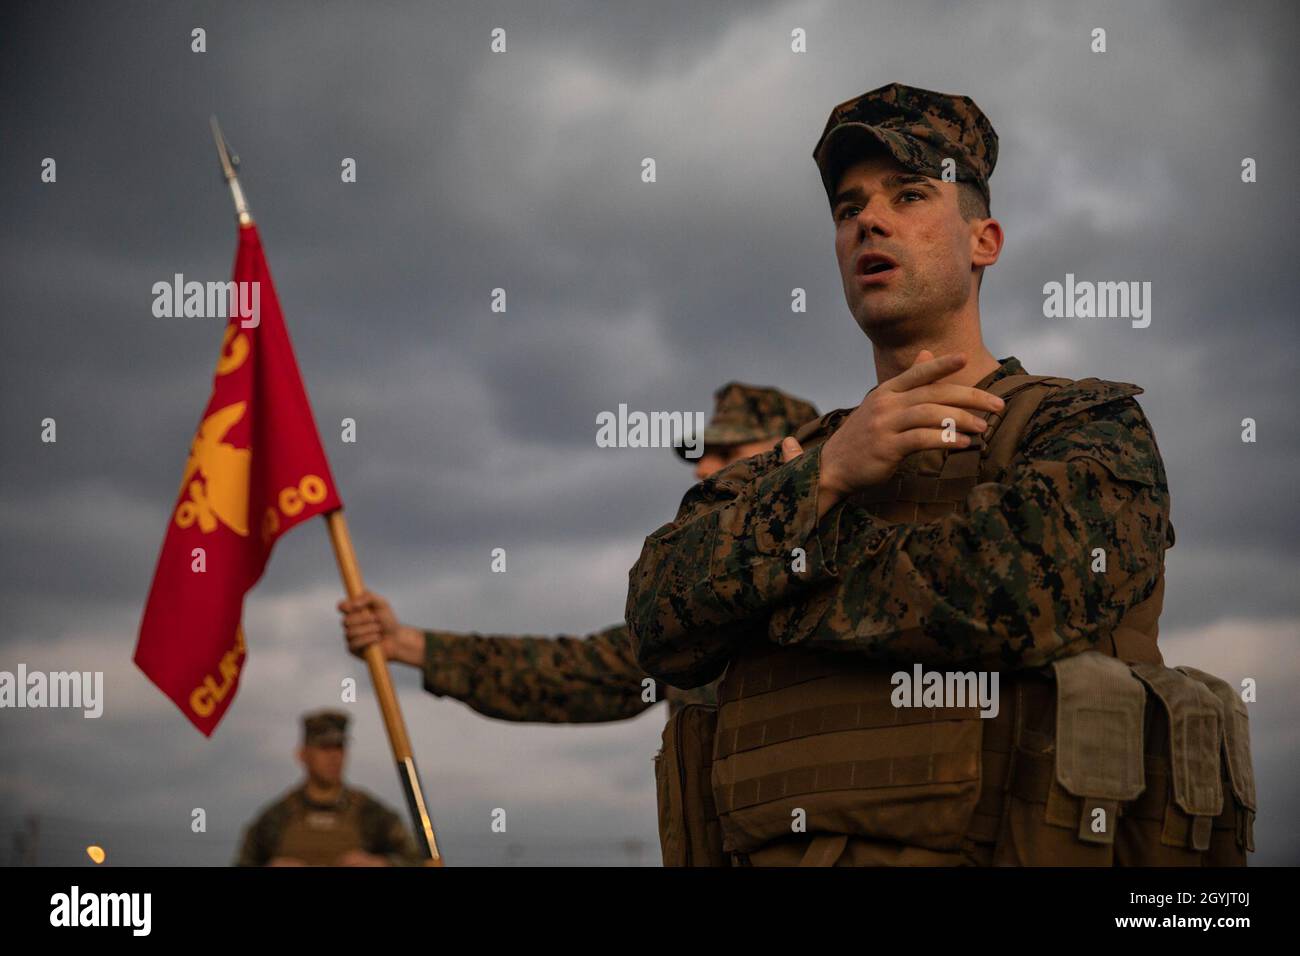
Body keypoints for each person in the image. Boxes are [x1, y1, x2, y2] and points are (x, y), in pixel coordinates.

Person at [625, 83, 1255, 866]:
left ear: (983, 239)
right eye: (847, 208)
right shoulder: (793, 465)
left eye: (910, 194)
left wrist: (769, 589)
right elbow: (656, 612)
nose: (869, 222)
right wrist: (826, 476)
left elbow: (1012, 593)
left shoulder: (1081, 426)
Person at [338, 383, 817, 724]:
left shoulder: (846, 553)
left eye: (728, 448)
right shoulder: (693, 601)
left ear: (795, 451)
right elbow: (574, 676)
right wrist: (405, 644)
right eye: (701, 454)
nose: (703, 470)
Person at [234, 709, 421, 866]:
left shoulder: (372, 815)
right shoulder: (275, 820)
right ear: (302, 754)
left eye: (339, 747)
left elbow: (418, 861)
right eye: (324, 748)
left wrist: (381, 864)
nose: (334, 757)